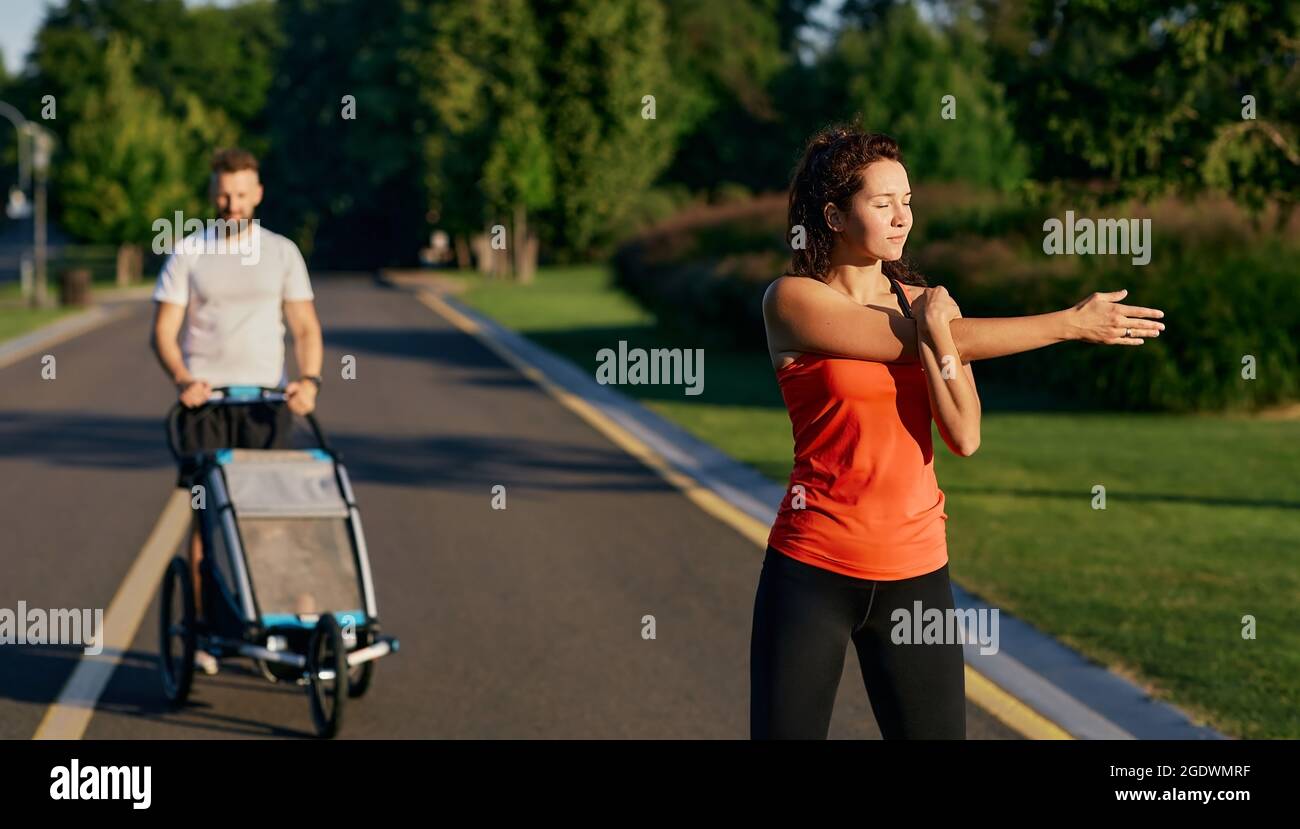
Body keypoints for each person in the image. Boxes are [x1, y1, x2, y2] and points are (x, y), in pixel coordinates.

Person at [753, 125, 1166, 739]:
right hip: (813, 567)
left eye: (908, 201)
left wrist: (939, 331)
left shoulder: (928, 307)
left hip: (916, 573)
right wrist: (1070, 323)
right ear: (835, 215)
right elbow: (898, 341)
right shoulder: (793, 301)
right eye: (882, 203)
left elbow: (964, 435)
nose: (902, 218)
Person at [150, 147, 324, 675]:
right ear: (212, 195)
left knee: (275, 520)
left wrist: (309, 381)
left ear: (258, 194)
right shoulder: (189, 252)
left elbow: (305, 329)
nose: (232, 204)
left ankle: (290, 626)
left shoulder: (282, 254)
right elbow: (162, 331)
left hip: (266, 405)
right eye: (224, 195)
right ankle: (204, 632)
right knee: (207, 524)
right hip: (209, 405)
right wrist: (184, 379)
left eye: (242, 194)